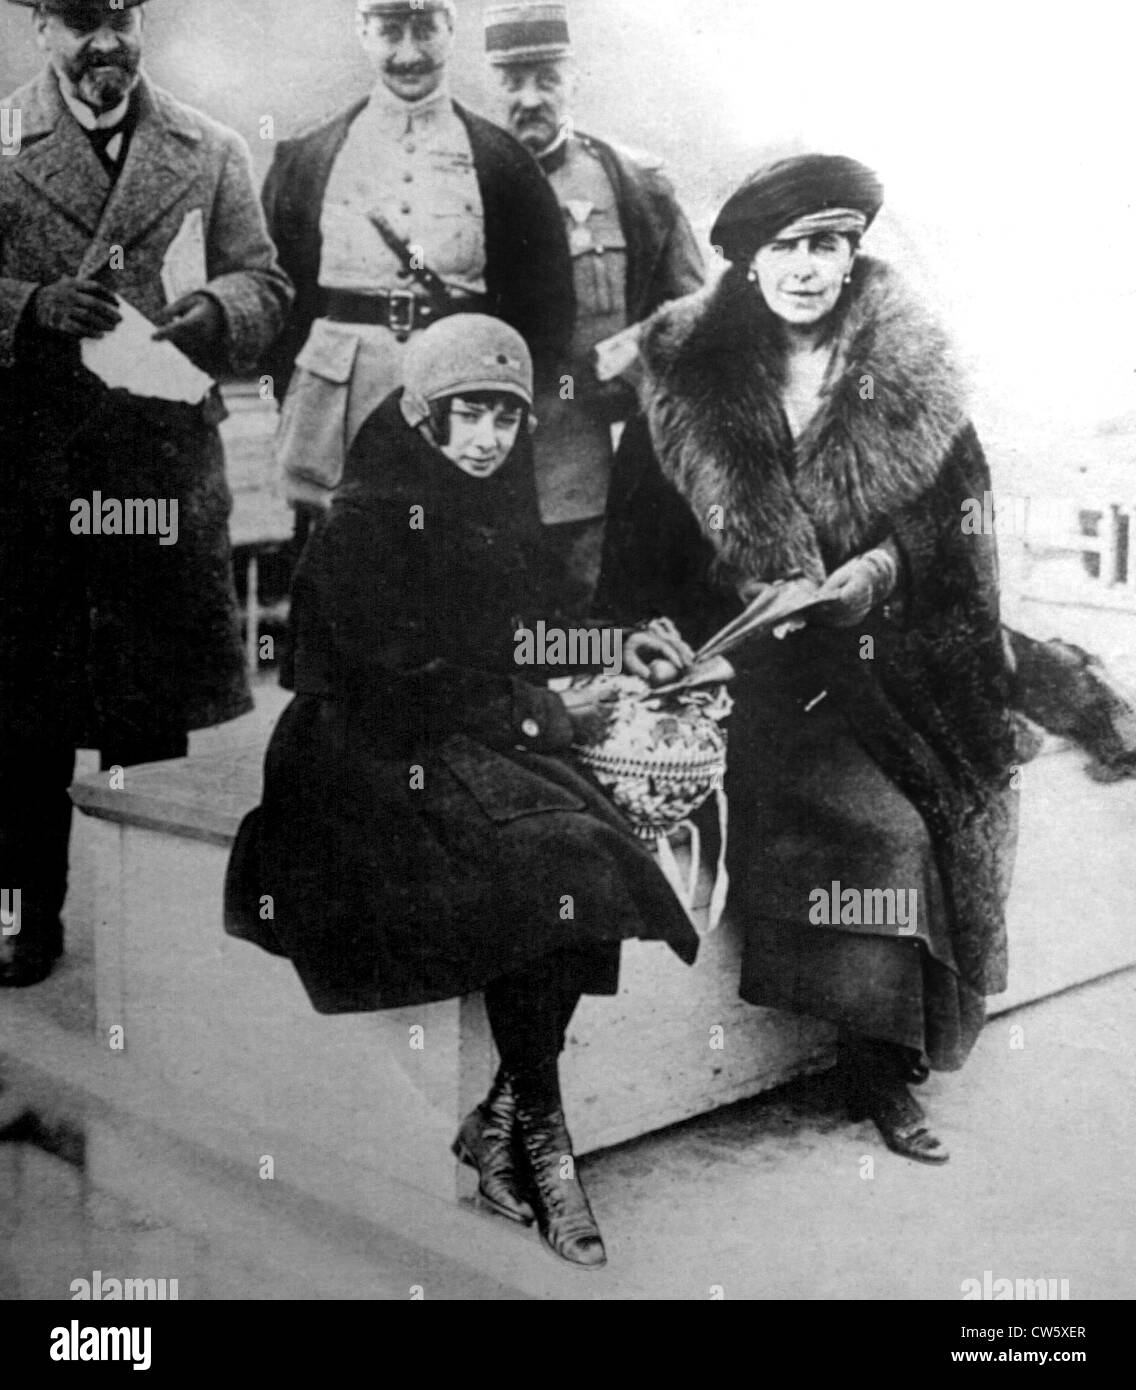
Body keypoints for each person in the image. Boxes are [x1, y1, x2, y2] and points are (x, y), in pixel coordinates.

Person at [224, 315, 697, 1268]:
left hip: (464, 726)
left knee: (588, 842)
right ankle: (543, 1141)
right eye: (467, 415)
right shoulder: (370, 514)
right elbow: (398, 676)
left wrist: (610, 644)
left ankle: (509, 1121)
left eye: (505, 418)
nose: (488, 438)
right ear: (419, 411)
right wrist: (548, 717)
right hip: (360, 750)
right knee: (548, 850)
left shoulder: (485, 493)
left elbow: (518, 631)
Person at [598, 155, 1021, 1164]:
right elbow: (630, 568)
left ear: (850, 253)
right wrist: (663, 624)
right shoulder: (687, 380)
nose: (803, 266)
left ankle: (881, 1059)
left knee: (921, 808)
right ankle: (875, 1059)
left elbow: (958, 535)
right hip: (741, 679)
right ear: (744, 260)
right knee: (862, 827)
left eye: (824, 244)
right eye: (782, 246)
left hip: (886, 659)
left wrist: (876, 571)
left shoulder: (907, 375)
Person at [0, 0, 293, 988]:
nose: (104, 43)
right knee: (19, 724)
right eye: (80, 20)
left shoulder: (206, 148)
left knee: (146, 710)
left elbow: (266, 281)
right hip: (27, 477)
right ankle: (21, 916)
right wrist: (31, 304)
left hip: (157, 472)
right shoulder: (2, 140)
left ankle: (150, 944)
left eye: (120, 16)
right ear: (42, 29)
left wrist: (215, 309)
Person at [261, 0, 574, 534]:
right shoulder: (309, 159)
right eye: (390, 31)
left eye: (425, 28)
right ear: (363, 30)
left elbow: (546, 312)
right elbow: (277, 297)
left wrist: (494, 408)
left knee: (459, 573)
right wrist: (302, 395)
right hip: (339, 410)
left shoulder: (503, 162)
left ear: (450, 29)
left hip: (461, 415)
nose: (409, 53)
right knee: (341, 570)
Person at [484, 0, 703, 610]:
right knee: (491, 644)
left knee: (591, 636)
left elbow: (691, 315)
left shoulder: (634, 184)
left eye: (547, 78)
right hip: (480, 457)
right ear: (487, 82)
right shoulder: (457, 181)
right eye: (511, 79)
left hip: (591, 461)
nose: (529, 97)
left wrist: (640, 357)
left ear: (574, 78)